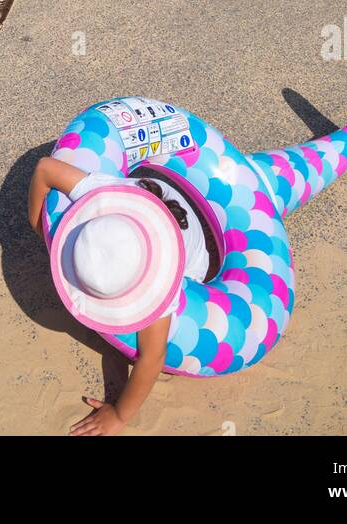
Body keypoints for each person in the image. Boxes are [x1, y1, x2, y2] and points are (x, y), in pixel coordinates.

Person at [27, 157, 214, 436]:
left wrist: (118, 415)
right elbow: (44, 168)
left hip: (190, 258)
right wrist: (40, 229)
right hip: (147, 199)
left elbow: (152, 357)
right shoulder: (101, 203)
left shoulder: (165, 280)